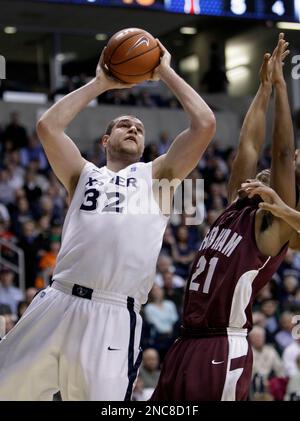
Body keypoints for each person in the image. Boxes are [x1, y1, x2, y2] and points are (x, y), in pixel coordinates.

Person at [0, 39, 216, 401]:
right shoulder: (81, 173)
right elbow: (47, 126)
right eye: (124, 125)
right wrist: (101, 82)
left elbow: (205, 124)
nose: (133, 128)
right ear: (105, 139)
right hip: (58, 299)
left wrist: (163, 71)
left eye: (139, 128)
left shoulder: (159, 176)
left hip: (113, 313)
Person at [151, 33, 295, 401]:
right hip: (186, 341)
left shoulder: (272, 223)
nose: (262, 170)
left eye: (278, 175)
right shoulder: (237, 205)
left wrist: (281, 86)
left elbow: (279, 153)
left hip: (221, 347)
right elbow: (248, 145)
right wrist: (262, 90)